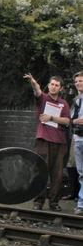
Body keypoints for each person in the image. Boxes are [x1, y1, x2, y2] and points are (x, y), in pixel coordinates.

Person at [24, 73, 71, 211]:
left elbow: (67, 121)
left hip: (60, 142)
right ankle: (38, 201)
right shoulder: (43, 98)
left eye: (57, 85)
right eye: (52, 84)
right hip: (44, 139)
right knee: (41, 170)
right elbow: (37, 90)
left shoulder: (64, 103)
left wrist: (51, 117)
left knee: (57, 174)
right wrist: (33, 81)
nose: (54, 87)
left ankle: (54, 202)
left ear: (60, 88)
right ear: (48, 85)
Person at [69, 71, 83, 215]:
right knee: (81, 173)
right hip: (78, 138)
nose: (78, 83)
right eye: (77, 81)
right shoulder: (76, 100)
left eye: (81, 81)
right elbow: (71, 120)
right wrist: (74, 121)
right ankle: (81, 204)